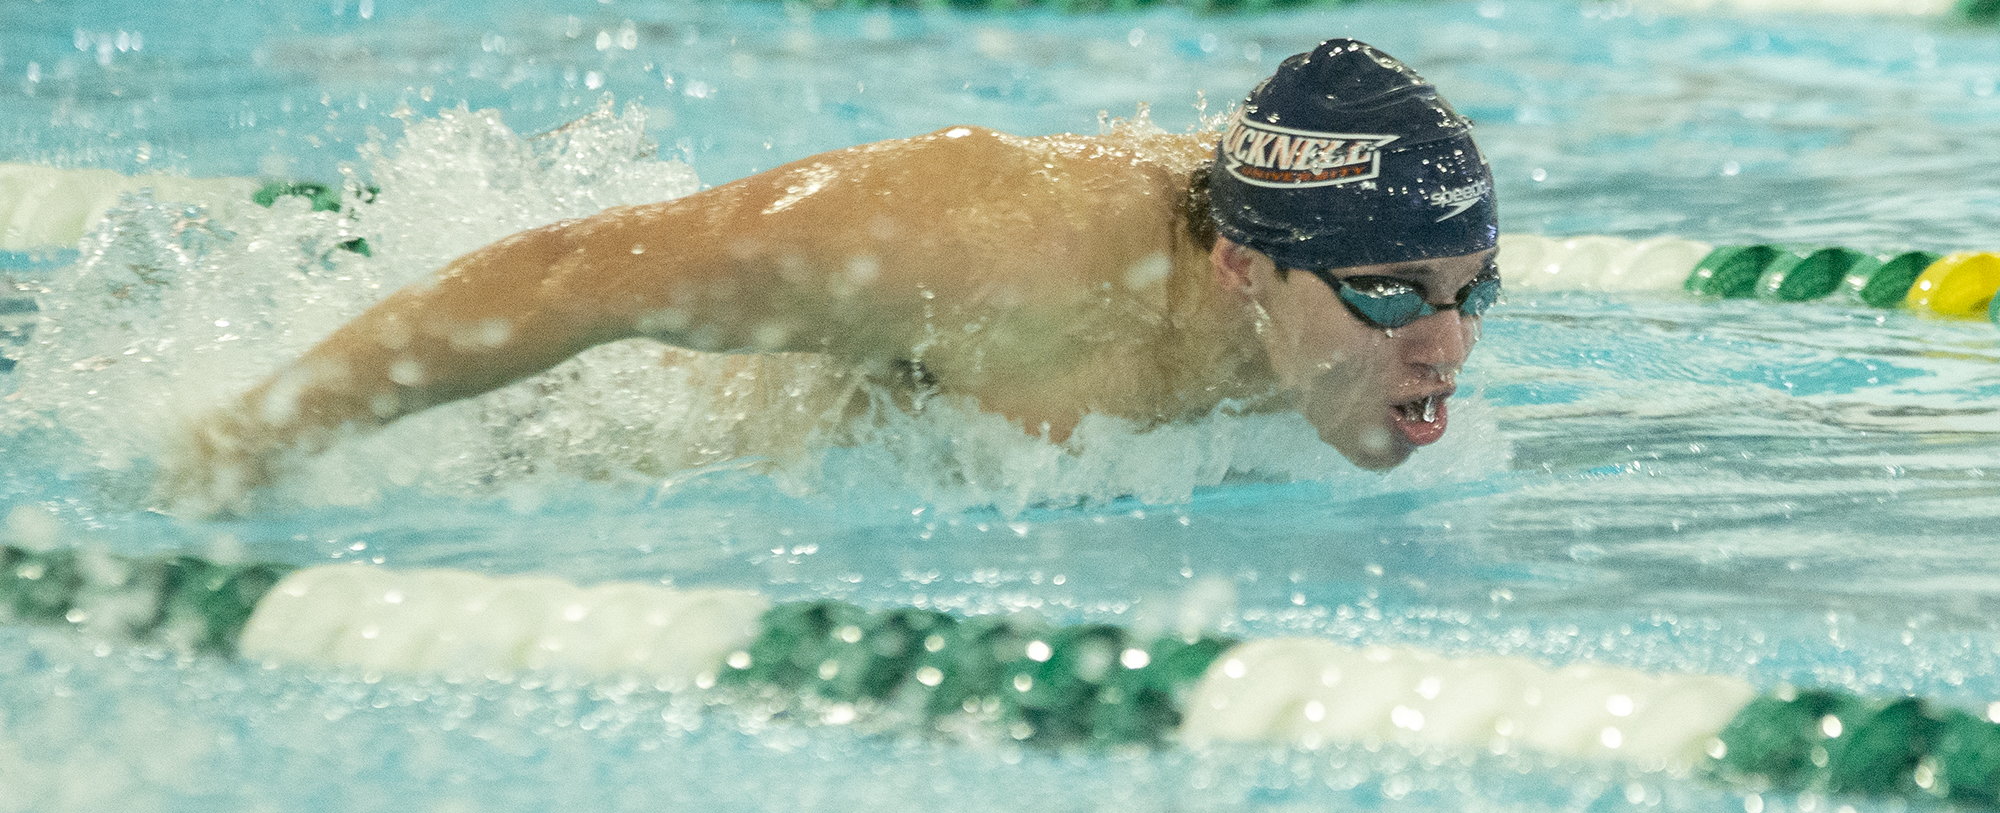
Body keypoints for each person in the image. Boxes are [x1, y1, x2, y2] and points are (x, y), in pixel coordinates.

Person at [162, 38, 1498, 512]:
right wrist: (251, 436)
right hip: (607, 438)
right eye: (1390, 294)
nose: (1445, 350)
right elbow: (581, 275)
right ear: (1239, 266)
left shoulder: (1349, 338)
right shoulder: (993, 250)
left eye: (1470, 294)